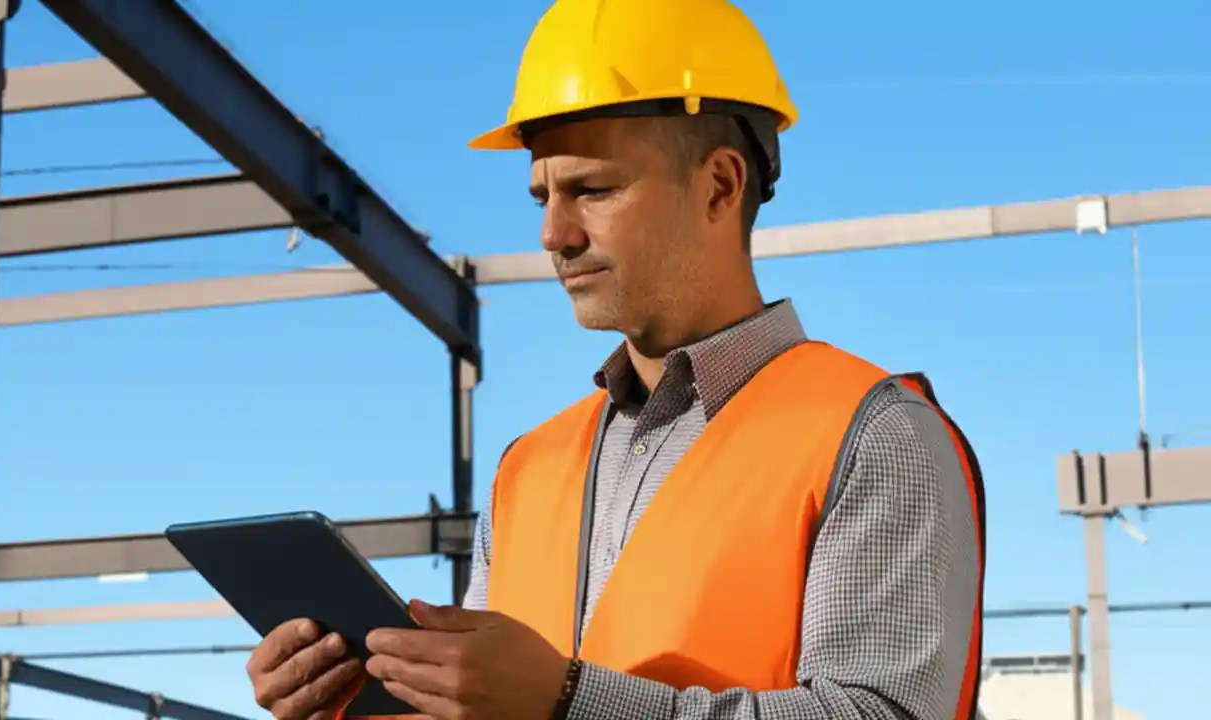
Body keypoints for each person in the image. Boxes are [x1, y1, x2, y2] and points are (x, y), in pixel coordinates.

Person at [245, 0, 987, 718]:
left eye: (591, 190)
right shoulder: (526, 472)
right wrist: (352, 707)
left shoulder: (872, 436)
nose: (552, 234)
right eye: (541, 196)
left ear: (721, 186)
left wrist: (567, 704)